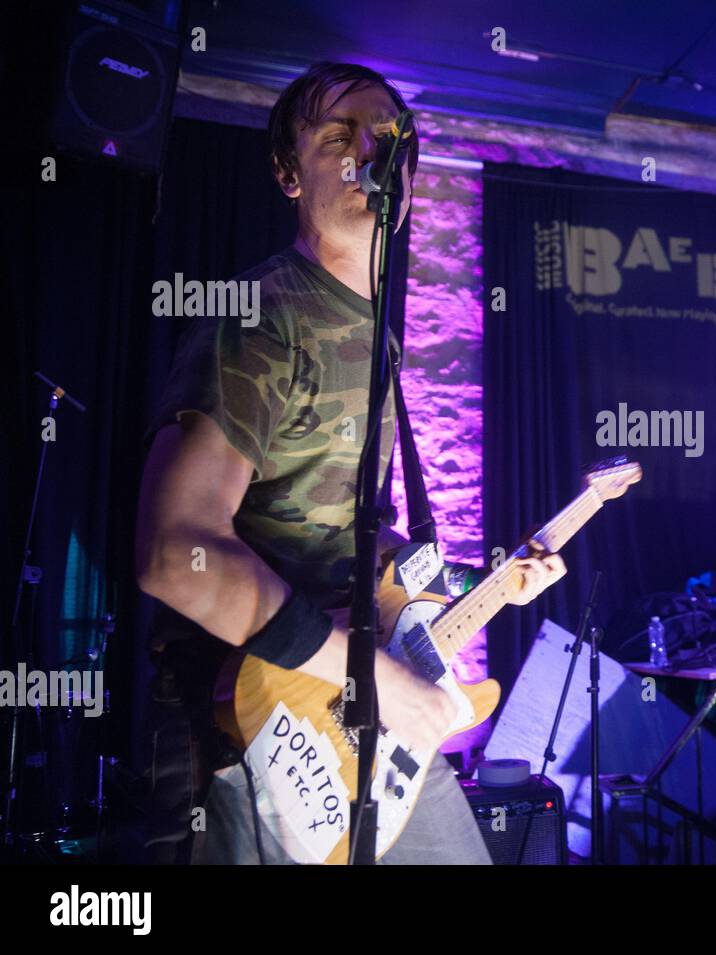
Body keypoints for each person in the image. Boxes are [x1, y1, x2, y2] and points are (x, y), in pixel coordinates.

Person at [134, 62, 565, 864]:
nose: (369, 153)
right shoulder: (261, 316)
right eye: (338, 137)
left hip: (354, 705)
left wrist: (484, 580)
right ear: (287, 173)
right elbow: (174, 555)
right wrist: (379, 678)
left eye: (387, 138)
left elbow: (352, 536)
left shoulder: (380, 342)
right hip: (249, 721)